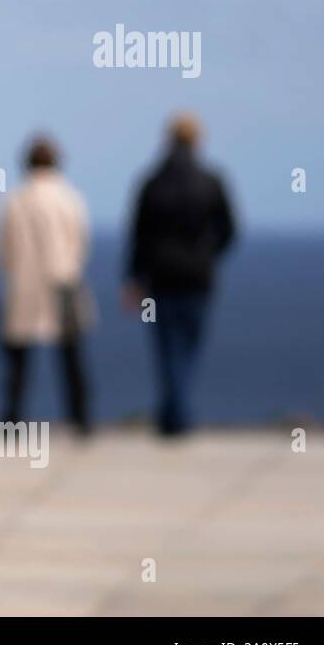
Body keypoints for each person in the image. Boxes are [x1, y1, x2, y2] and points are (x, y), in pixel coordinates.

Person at [122, 113, 236, 436]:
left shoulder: (152, 182)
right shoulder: (211, 181)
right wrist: (208, 255)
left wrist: (133, 278)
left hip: (160, 278)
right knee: (189, 347)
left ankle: (173, 414)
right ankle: (178, 414)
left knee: (167, 348)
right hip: (199, 277)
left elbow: (138, 235)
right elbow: (229, 229)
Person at [0, 136, 94, 433]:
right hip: (63, 280)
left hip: (23, 283)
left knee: (17, 360)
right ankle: (80, 418)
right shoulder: (70, 198)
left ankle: (12, 417)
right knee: (71, 356)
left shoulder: (14, 200)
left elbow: (3, 249)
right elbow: (80, 243)